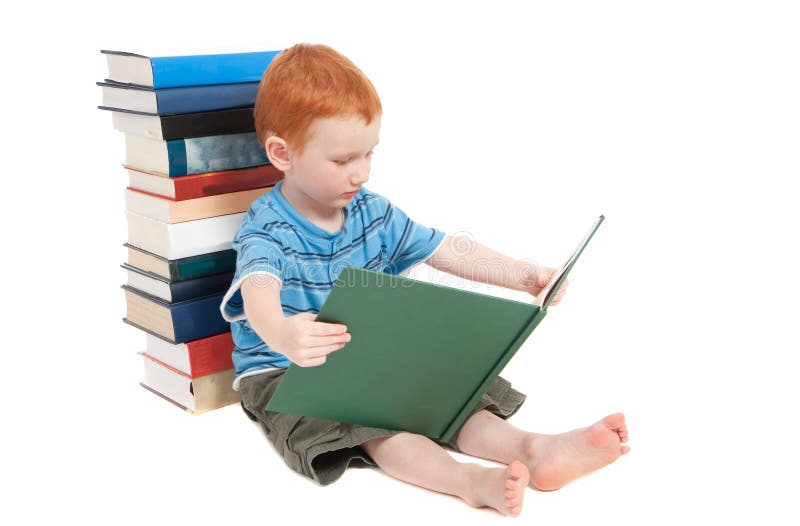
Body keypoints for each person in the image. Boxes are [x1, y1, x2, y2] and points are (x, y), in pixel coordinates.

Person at [219, 43, 629, 517]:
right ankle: (470, 481)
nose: (362, 172)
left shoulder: (371, 211)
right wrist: (283, 333)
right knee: (373, 426)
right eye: (342, 160)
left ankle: (535, 449)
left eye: (368, 153)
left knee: (450, 393)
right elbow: (259, 292)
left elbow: (446, 249)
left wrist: (523, 275)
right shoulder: (267, 228)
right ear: (282, 153)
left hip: (367, 352)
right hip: (286, 370)